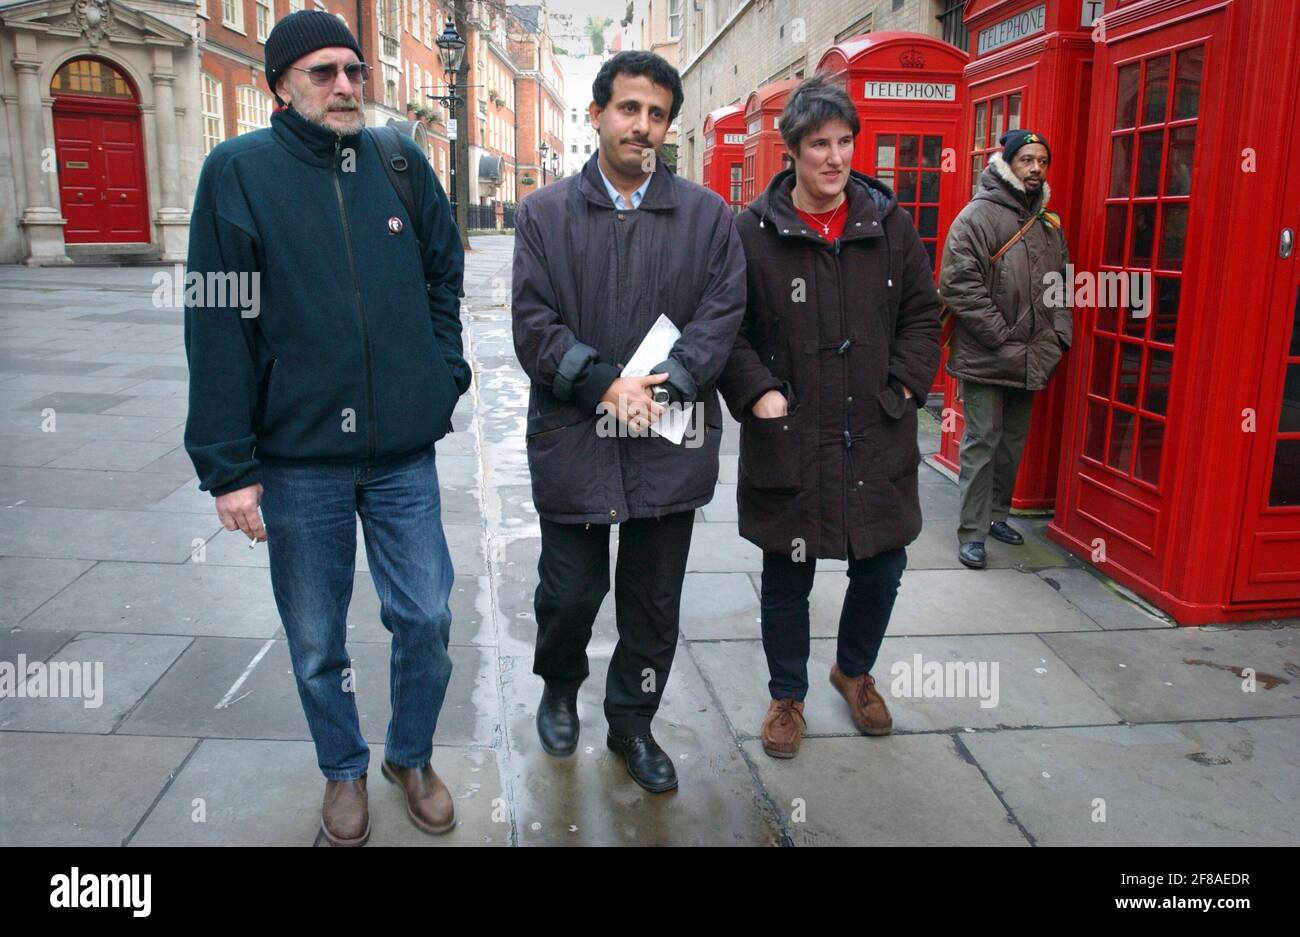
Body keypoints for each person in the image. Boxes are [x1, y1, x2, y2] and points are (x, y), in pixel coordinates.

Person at [183, 10, 469, 845]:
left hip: (399, 454)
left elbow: (443, 274)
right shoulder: (236, 173)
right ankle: (342, 768)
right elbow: (215, 323)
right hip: (297, 458)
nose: (345, 85)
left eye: (353, 69)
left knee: (427, 615)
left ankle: (409, 755)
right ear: (279, 85)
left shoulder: (399, 161)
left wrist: (440, 373)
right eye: (321, 72)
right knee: (316, 637)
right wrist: (227, 468)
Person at [511, 51, 746, 793]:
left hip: (666, 441)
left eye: (656, 115)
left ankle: (632, 723)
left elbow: (723, 310)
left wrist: (674, 382)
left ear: (667, 127)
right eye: (628, 109)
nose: (641, 126)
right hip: (577, 433)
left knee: (653, 600)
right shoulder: (544, 213)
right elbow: (531, 321)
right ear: (596, 115)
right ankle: (558, 681)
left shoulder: (708, 215)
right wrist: (601, 383)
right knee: (571, 590)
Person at [718, 74, 942, 759]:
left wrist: (904, 386)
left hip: (875, 427)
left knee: (883, 563)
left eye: (846, 142)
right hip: (792, 434)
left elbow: (922, 315)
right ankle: (788, 692)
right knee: (789, 570)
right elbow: (727, 330)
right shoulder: (751, 231)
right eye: (820, 143)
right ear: (791, 149)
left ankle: (853, 669)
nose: (836, 157)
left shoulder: (889, 222)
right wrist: (759, 392)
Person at [938, 129, 1071, 570]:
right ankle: (972, 533)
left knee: (1012, 444)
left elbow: (1063, 286)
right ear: (1006, 164)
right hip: (988, 354)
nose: (1035, 168)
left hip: (1035, 353)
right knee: (982, 443)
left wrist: (1059, 336)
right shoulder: (977, 217)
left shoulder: (1049, 224)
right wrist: (1001, 336)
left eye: (1042, 161)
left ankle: (997, 516)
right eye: (1026, 160)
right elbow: (957, 283)